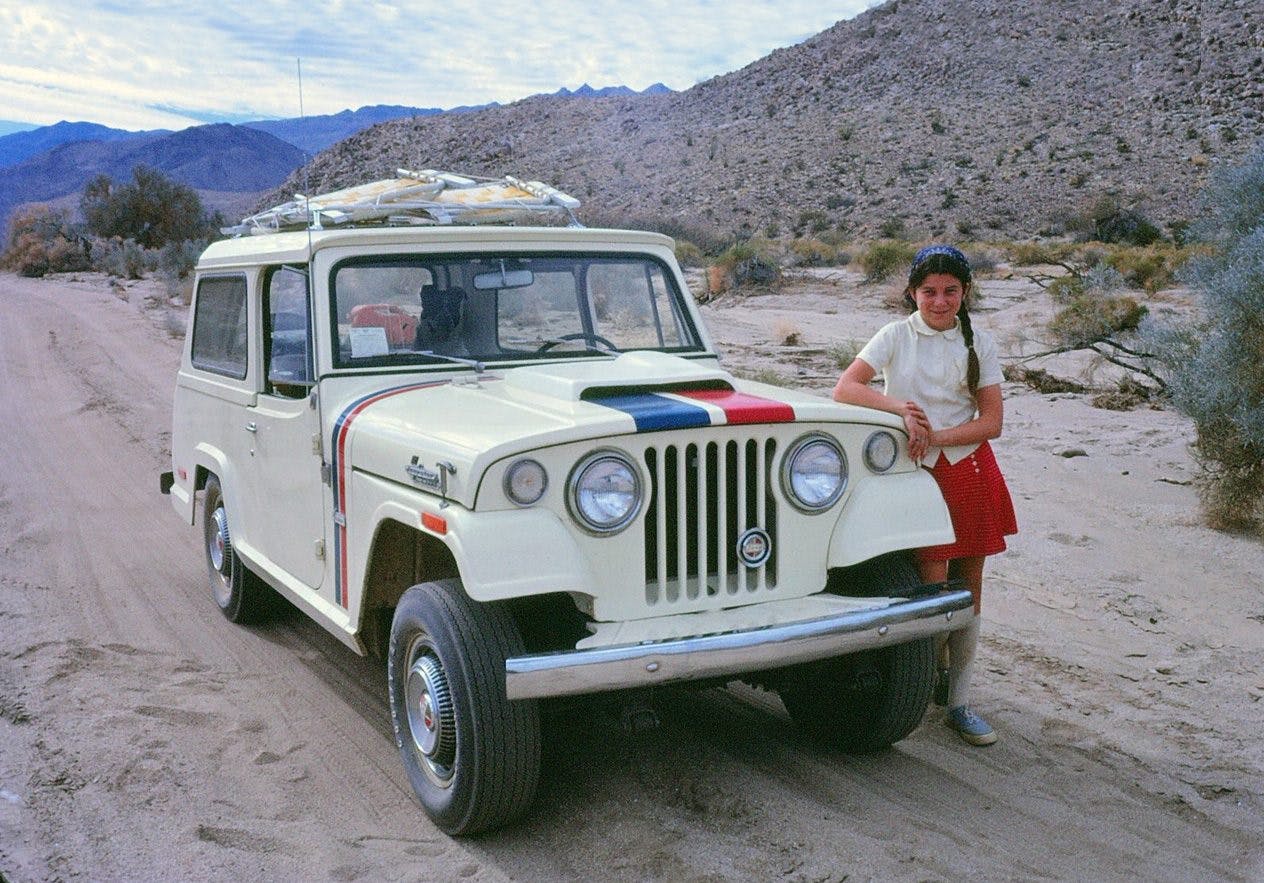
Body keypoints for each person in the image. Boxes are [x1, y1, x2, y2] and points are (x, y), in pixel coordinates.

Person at [832, 244, 1017, 746]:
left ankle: (959, 701)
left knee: (969, 589)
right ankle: (927, 679)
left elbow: (992, 423)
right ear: (913, 292)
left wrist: (935, 436)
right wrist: (901, 410)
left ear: (965, 293)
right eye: (929, 291)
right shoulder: (895, 335)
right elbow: (846, 388)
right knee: (931, 584)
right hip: (917, 475)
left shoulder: (981, 343)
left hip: (970, 469)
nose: (939, 301)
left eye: (950, 291)